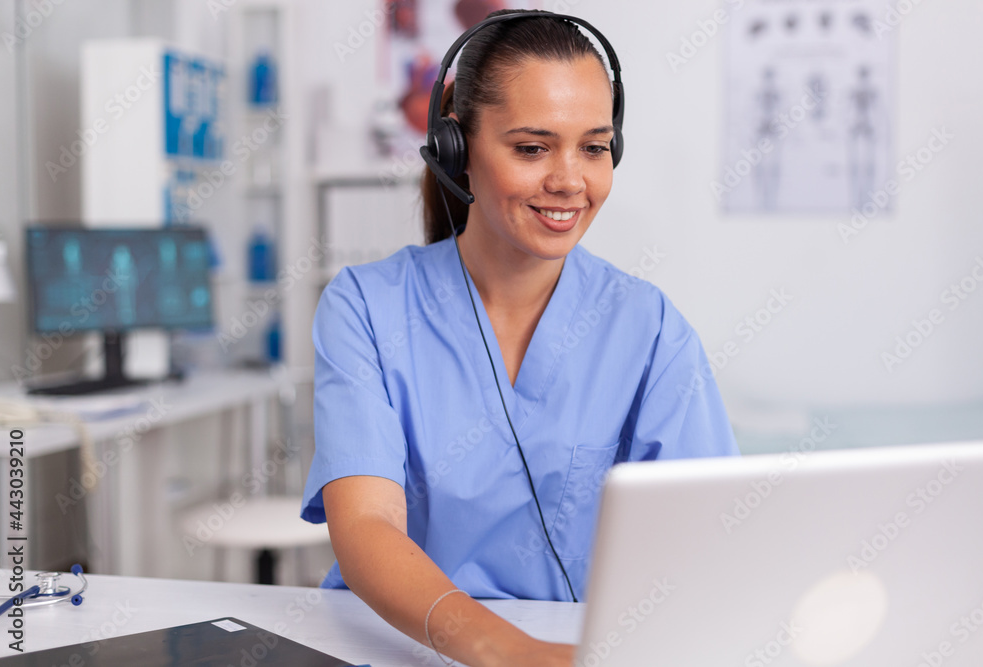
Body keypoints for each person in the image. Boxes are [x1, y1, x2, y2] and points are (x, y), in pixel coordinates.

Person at [300, 10, 739, 666]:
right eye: (533, 148)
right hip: (402, 646)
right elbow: (366, 524)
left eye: (594, 146)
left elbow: (706, 536)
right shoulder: (367, 306)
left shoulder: (648, 327)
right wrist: (506, 651)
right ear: (456, 150)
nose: (569, 180)